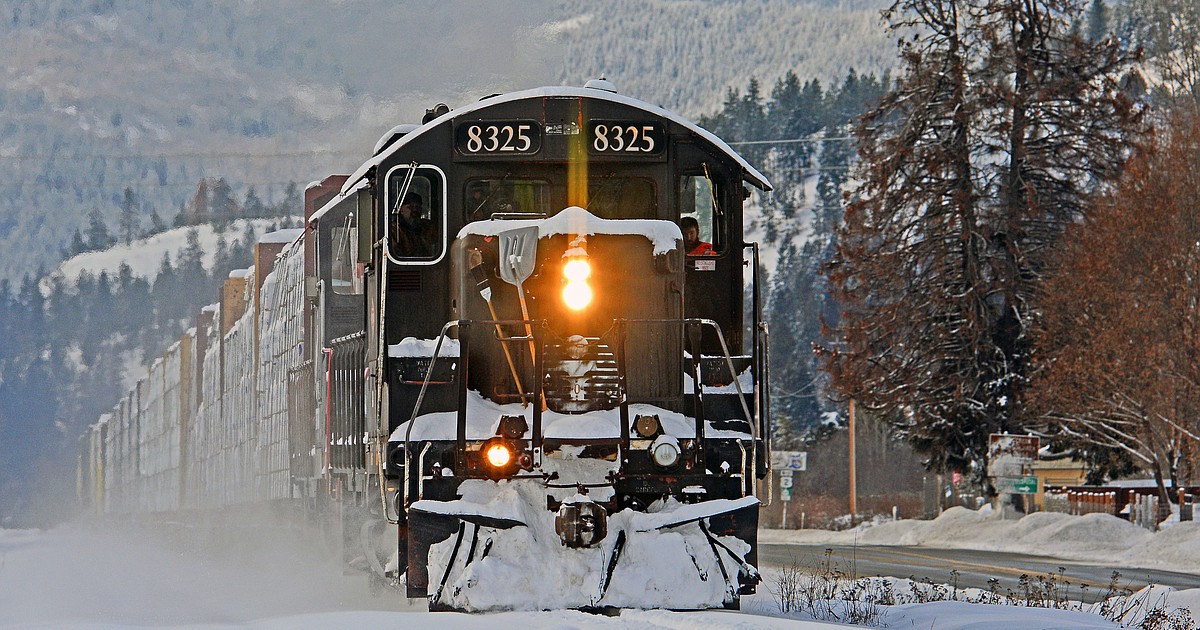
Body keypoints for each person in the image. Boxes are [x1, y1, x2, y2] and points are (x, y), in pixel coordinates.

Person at [390, 192, 434, 257]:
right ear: (401, 210)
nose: (415, 210)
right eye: (410, 207)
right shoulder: (394, 230)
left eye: (418, 207)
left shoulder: (427, 226)